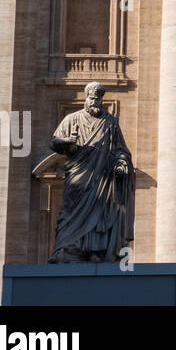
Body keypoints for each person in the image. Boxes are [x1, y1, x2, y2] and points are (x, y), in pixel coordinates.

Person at [48, 82, 135, 263]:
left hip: (103, 179)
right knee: (71, 211)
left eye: (98, 98)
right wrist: (66, 141)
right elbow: (54, 143)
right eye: (92, 98)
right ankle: (68, 249)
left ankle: (98, 250)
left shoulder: (111, 123)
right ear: (86, 98)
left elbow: (121, 149)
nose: (95, 101)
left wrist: (121, 163)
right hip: (79, 176)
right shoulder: (71, 119)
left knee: (101, 212)